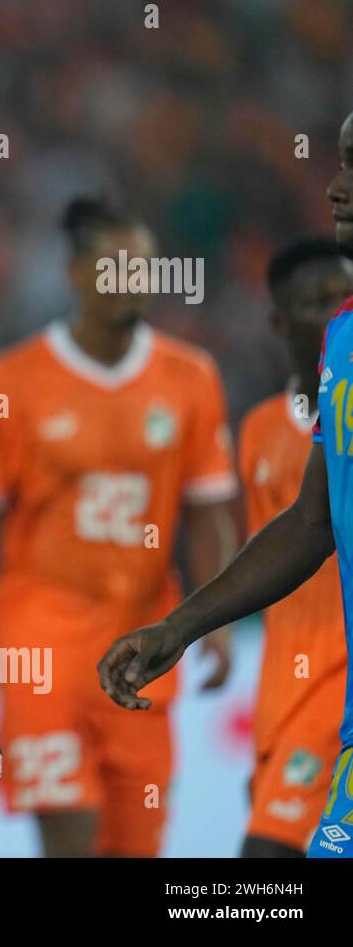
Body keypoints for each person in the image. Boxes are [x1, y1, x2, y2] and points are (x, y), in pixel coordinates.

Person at [0, 196, 238, 857]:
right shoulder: (12, 382)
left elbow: (207, 516)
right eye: (117, 267)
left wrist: (213, 621)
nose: (136, 281)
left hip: (142, 645)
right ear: (76, 272)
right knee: (70, 832)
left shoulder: (190, 379)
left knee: (135, 844)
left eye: (145, 268)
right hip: (41, 644)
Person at [98, 110, 353, 859]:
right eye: (338, 162)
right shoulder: (342, 338)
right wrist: (178, 628)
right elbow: (313, 521)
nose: (335, 188)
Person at [238, 239, 351, 857]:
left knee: (262, 866)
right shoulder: (257, 430)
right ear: (280, 322)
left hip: (339, 680)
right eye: (318, 302)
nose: (338, 313)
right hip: (284, 684)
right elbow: (275, 564)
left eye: (345, 297)